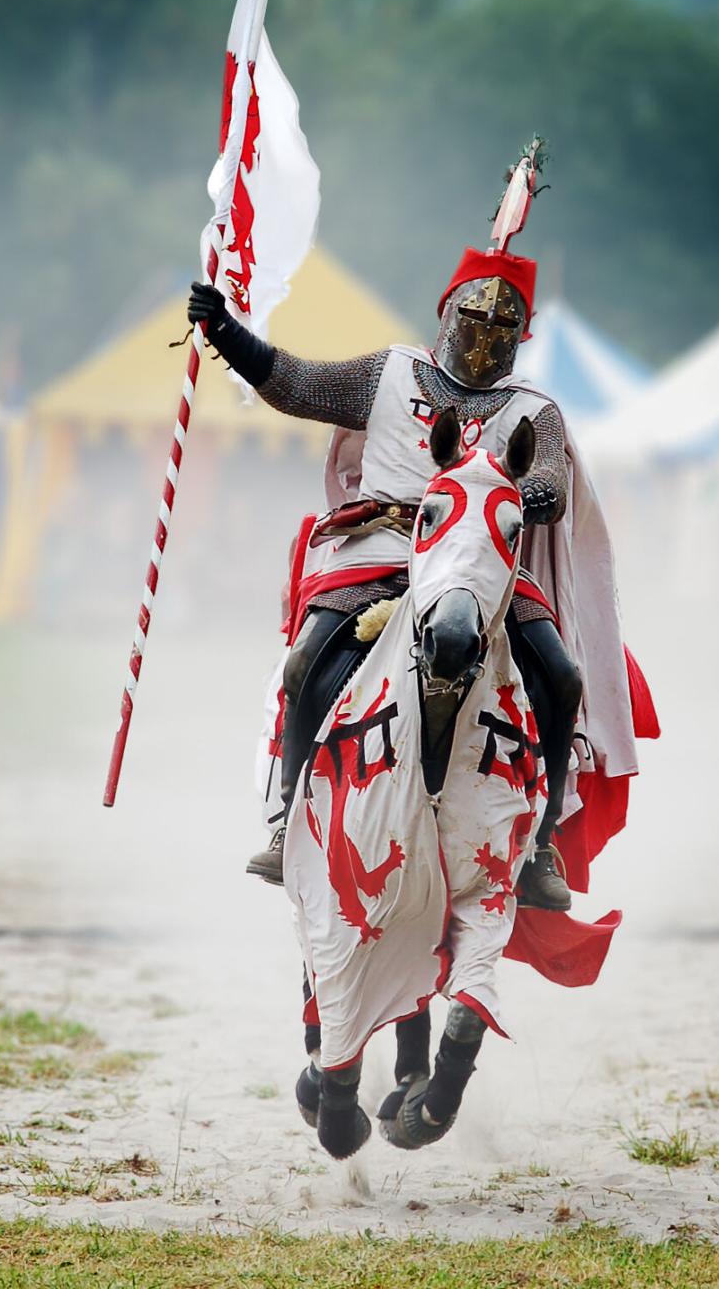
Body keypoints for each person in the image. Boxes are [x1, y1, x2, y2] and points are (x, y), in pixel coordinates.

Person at [189, 141, 589, 911]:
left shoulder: (533, 410)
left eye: (501, 326)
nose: (483, 335)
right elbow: (297, 384)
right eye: (474, 316)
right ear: (448, 310)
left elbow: (550, 484)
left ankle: (539, 847)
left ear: (521, 336)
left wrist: (512, 501)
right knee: (308, 661)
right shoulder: (393, 372)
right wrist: (225, 333)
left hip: (481, 557)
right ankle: (287, 821)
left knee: (562, 676)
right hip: (383, 545)